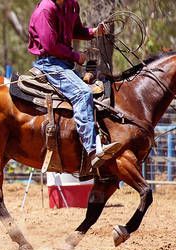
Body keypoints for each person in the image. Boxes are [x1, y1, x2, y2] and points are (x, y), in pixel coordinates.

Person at [28, 0, 118, 172]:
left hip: (65, 64)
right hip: (50, 64)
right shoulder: (46, 9)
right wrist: (77, 57)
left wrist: (93, 32)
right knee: (83, 93)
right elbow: (50, 45)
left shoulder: (72, 4)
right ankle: (92, 150)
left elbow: (75, 30)